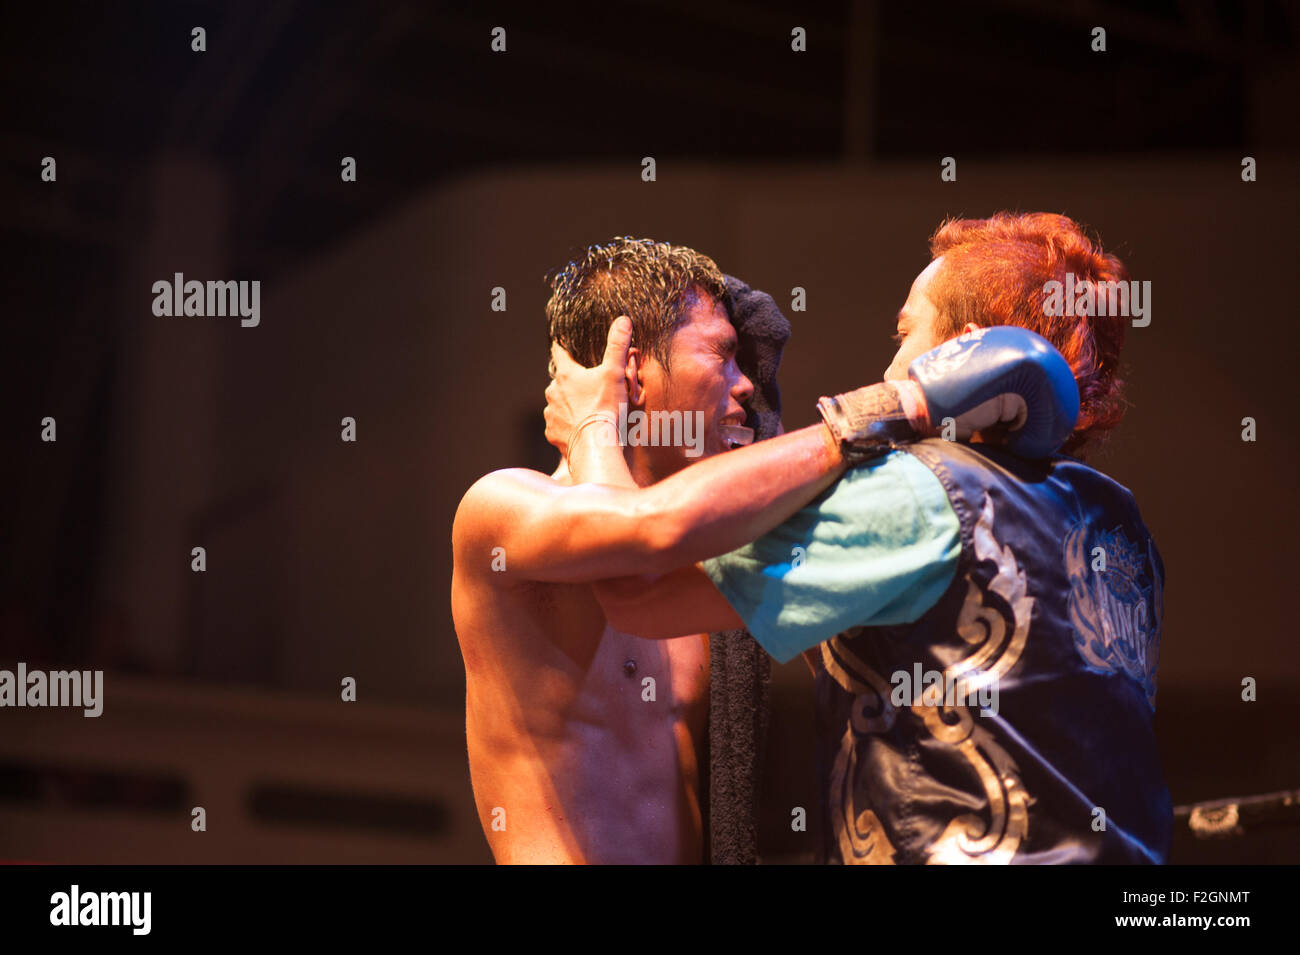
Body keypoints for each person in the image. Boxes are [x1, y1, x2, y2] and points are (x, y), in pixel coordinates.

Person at [566, 214, 1171, 864]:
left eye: (906, 333)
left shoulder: (917, 493)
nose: (891, 362)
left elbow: (633, 585)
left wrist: (595, 426)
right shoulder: (1118, 526)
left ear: (965, 354)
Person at [451, 236, 1064, 863]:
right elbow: (630, 548)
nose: (747, 387)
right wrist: (593, 431)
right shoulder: (503, 511)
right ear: (631, 367)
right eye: (723, 356)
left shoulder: (708, 563)